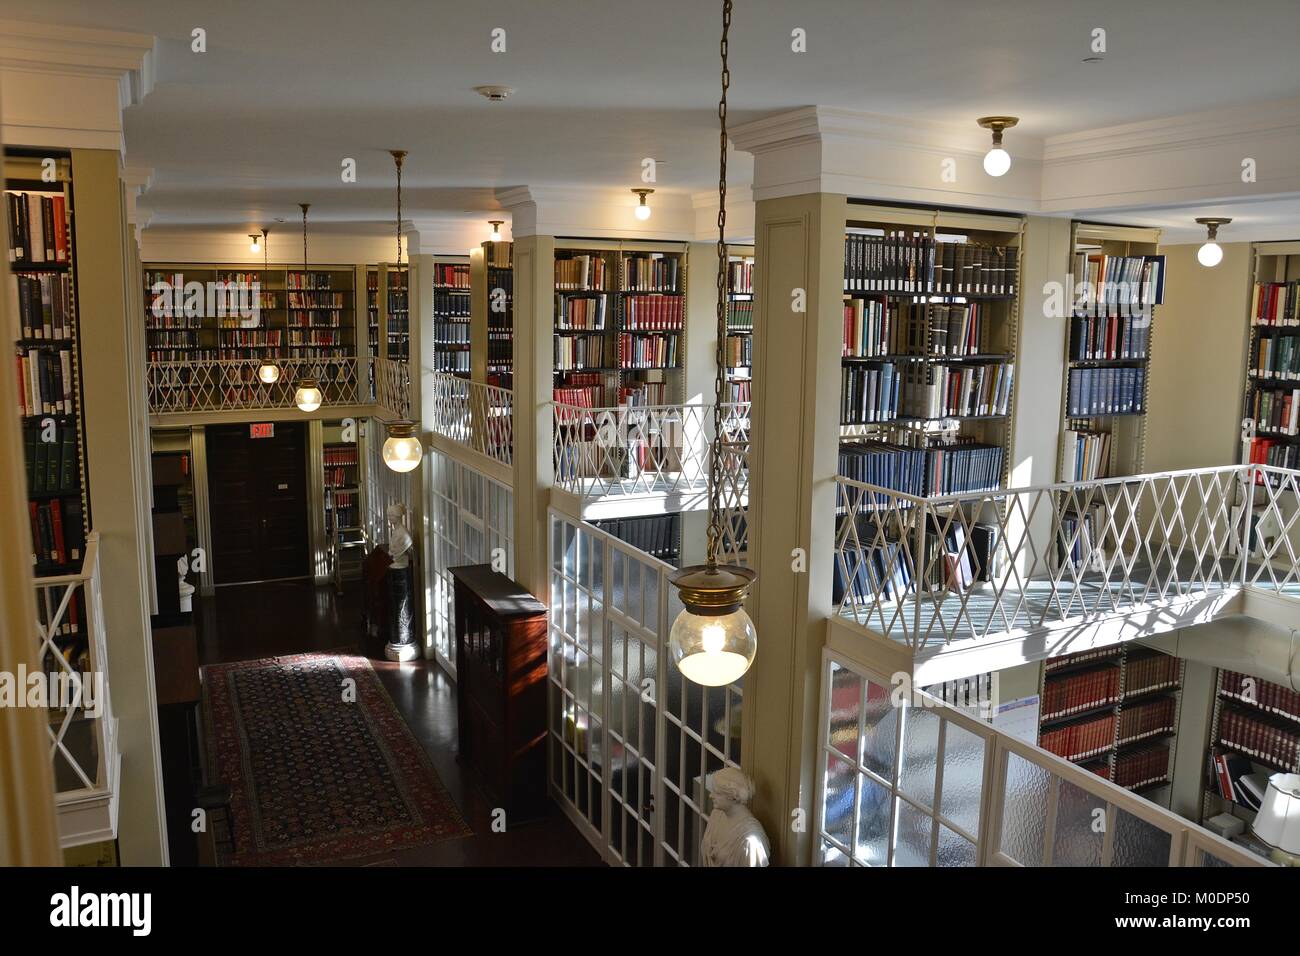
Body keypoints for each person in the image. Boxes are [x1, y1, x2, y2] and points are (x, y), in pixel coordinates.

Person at [700, 767, 769, 867]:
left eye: (717, 793)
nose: (711, 795)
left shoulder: (751, 839)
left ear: (733, 796)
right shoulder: (717, 814)